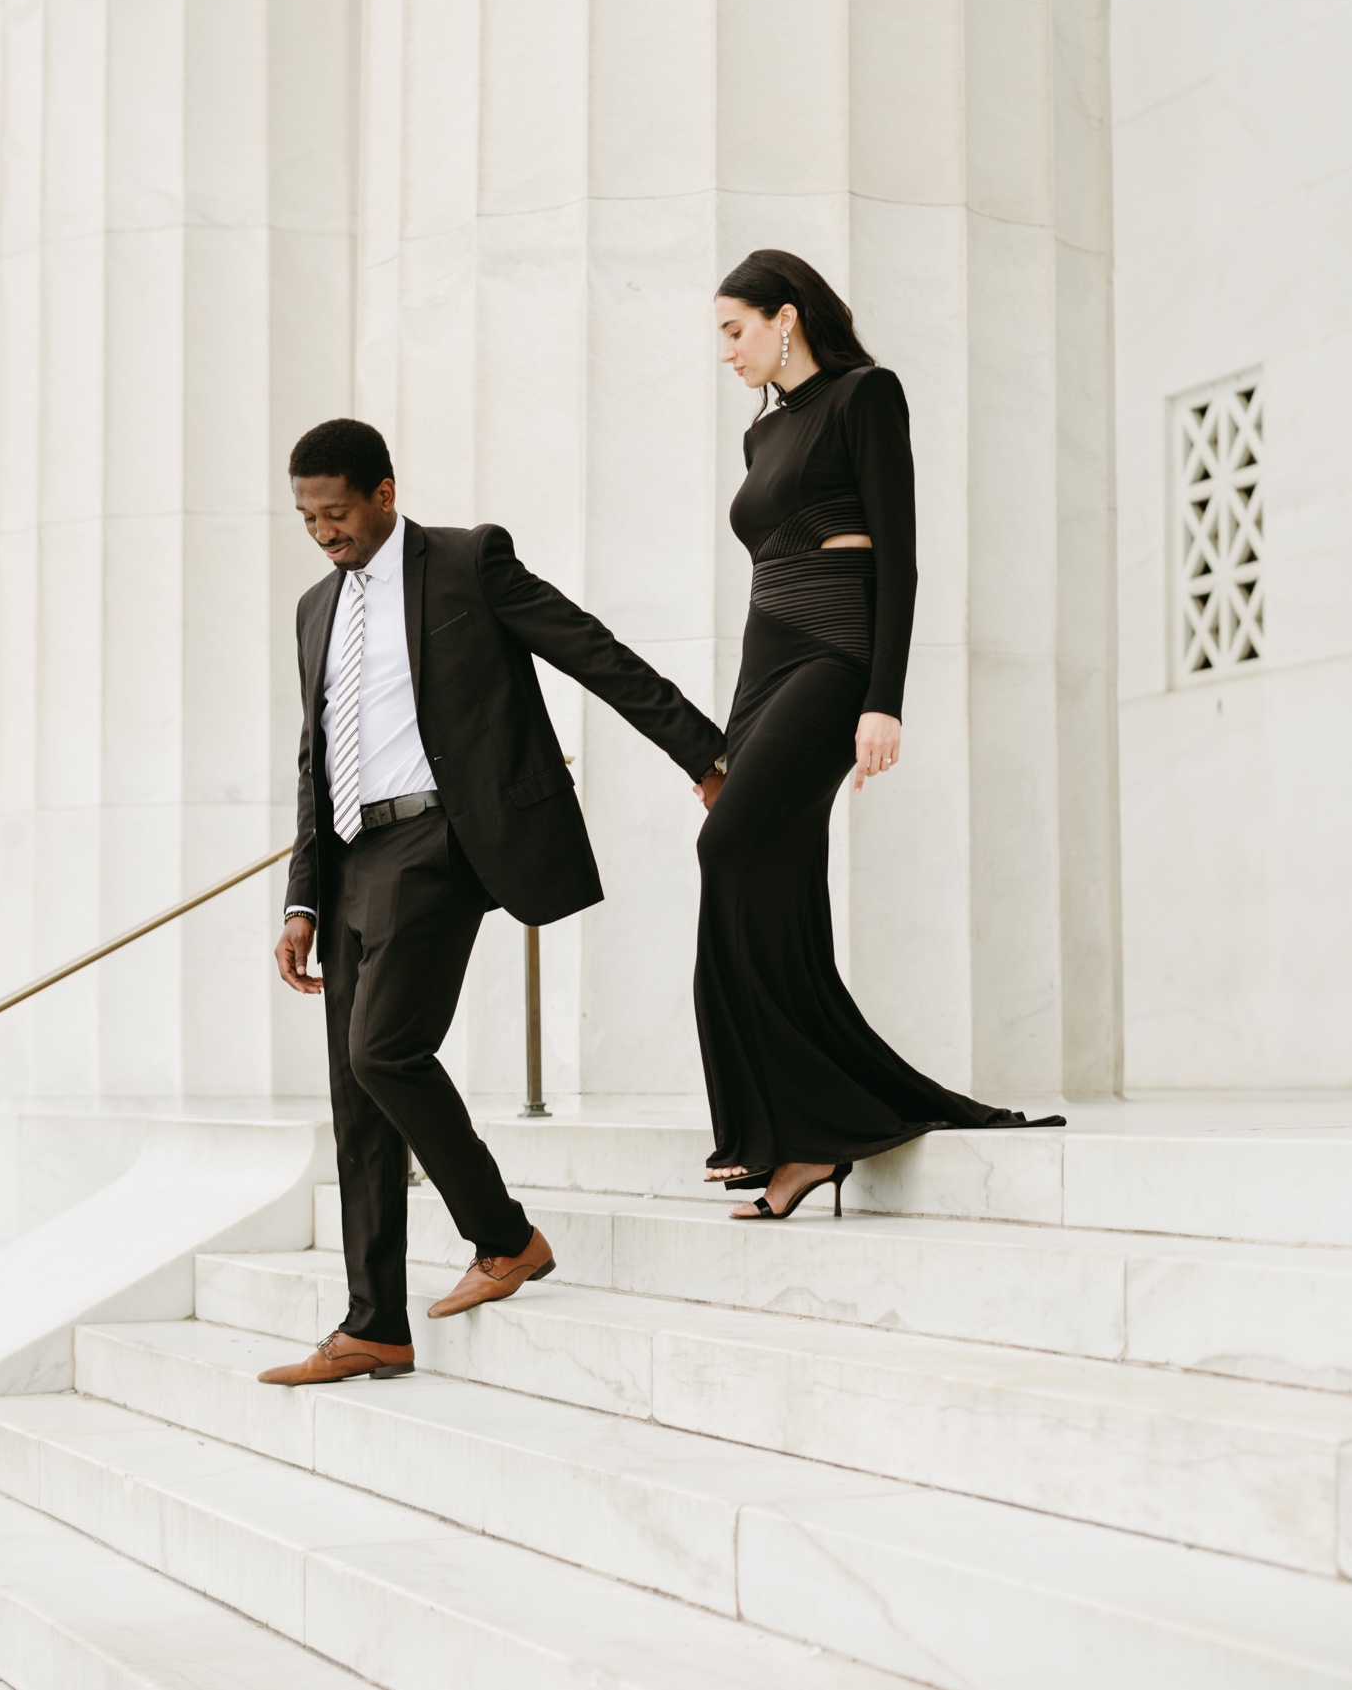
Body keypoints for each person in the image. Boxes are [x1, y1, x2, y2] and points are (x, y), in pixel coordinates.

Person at [259, 417, 726, 1384]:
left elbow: (588, 649)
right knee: (356, 1098)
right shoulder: (314, 608)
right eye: (307, 518)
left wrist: (703, 752)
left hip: (440, 840)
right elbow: (315, 762)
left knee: (383, 1051)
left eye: (336, 512)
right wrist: (302, 899)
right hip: (349, 861)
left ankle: (505, 1235)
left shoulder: (469, 563)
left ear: (385, 492)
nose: (323, 532)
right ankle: (375, 1324)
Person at [695, 251, 1063, 1222]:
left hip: (836, 655)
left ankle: (795, 1121)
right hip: (767, 666)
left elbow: (897, 554)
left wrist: (882, 698)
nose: (726, 351)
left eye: (734, 329)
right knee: (766, 873)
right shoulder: (760, 432)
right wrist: (732, 735)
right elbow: (766, 577)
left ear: (785, 316)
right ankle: (802, 1137)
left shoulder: (866, 396)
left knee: (725, 848)